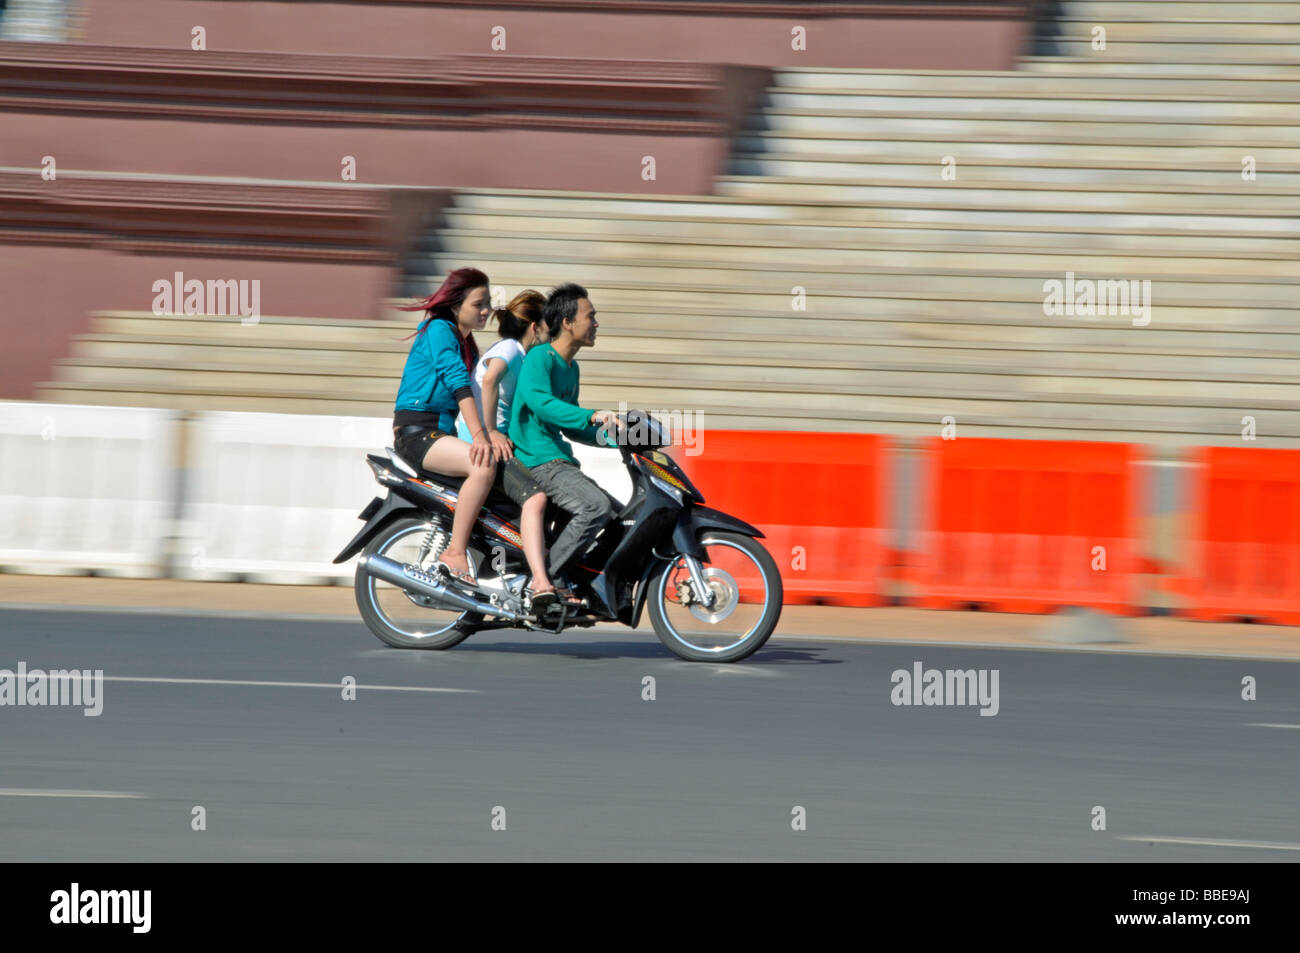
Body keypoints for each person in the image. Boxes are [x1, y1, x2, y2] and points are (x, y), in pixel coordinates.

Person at [391, 268, 560, 608]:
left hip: (440, 432)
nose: (485, 311)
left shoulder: (465, 341)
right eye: (478, 304)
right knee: (481, 467)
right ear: (456, 305)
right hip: (417, 431)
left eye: (486, 304)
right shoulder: (439, 330)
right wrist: (483, 436)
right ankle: (454, 553)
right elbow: (459, 385)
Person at [508, 282, 622, 601]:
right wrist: (591, 415)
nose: (596, 323)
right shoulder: (540, 358)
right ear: (568, 322)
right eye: (591, 316)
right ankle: (551, 579)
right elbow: (541, 402)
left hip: (560, 460)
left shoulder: (572, 368)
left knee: (618, 517)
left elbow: (570, 425)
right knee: (594, 506)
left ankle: (581, 581)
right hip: (538, 460)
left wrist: (620, 440)